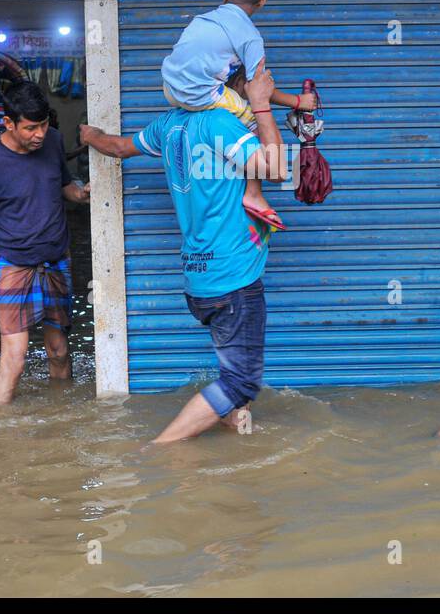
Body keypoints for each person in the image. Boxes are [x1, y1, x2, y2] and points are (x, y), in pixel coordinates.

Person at [79, 61, 286, 442]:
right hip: (233, 280)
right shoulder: (222, 124)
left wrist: (92, 135)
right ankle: (162, 448)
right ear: (232, 88)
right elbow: (275, 168)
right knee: (240, 383)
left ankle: (239, 449)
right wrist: (261, 105)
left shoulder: (168, 125)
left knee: (235, 394)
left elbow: (121, 147)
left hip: (200, 281)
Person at [0, 81, 90, 404]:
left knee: (59, 351)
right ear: (8, 123)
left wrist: (82, 194)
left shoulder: (53, 141)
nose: (39, 134)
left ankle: (62, 422)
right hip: (14, 263)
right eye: (30, 128)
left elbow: (63, 186)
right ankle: (1, 442)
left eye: (43, 124)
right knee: (14, 361)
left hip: (56, 259)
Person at [160, 0, 316, 231]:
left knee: (235, 96)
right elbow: (259, 91)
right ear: (262, 1)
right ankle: (253, 195)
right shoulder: (251, 37)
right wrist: (298, 101)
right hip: (198, 94)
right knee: (255, 117)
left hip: (170, 87)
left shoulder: (201, 21)